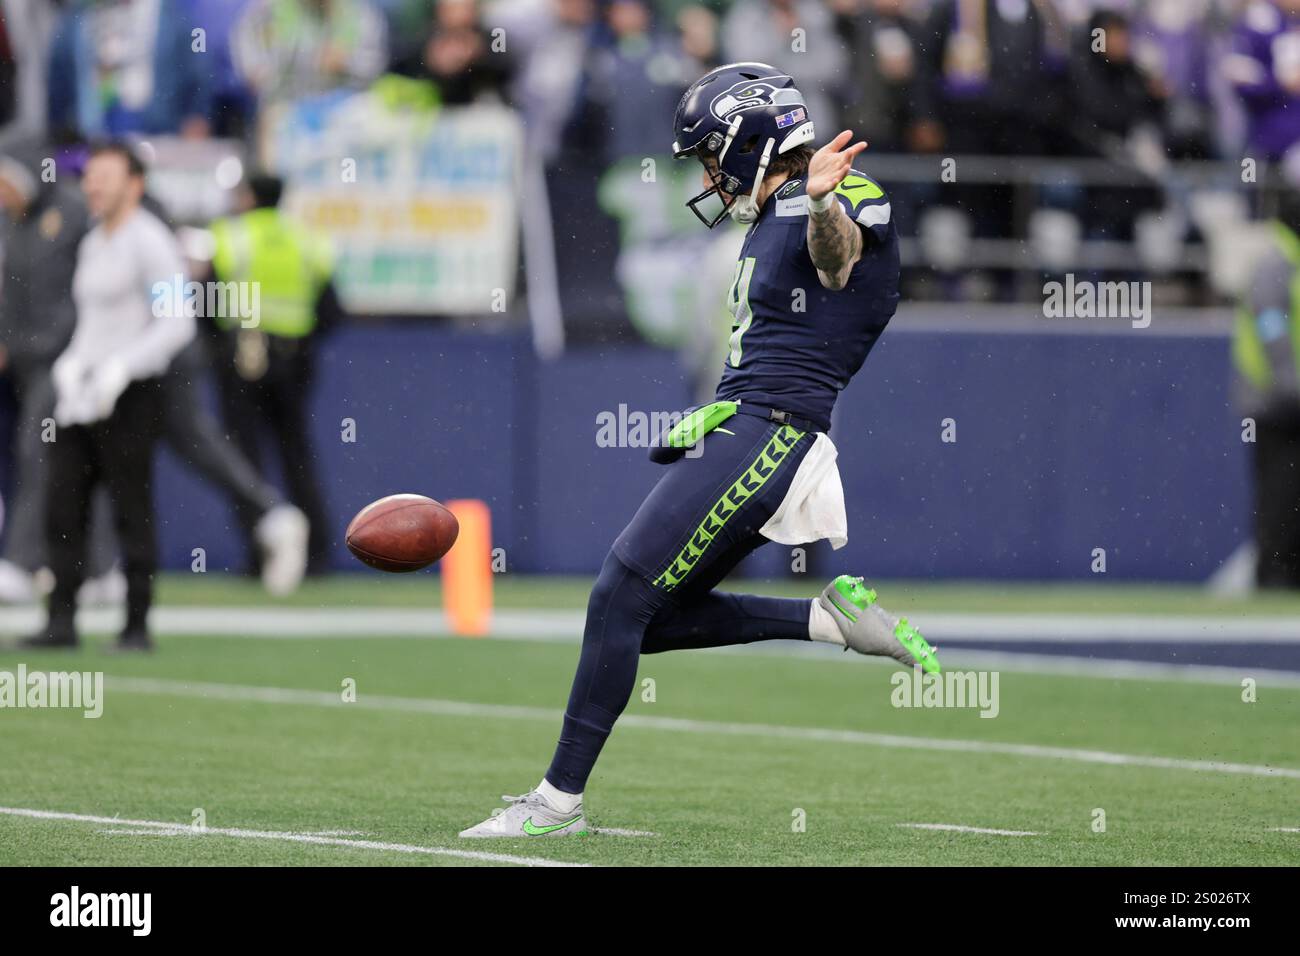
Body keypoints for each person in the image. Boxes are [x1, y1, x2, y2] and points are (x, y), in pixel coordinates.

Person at [460, 62, 939, 838]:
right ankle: (826, 620)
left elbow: (837, 258)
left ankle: (555, 803)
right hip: (747, 420)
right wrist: (714, 410)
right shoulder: (770, 213)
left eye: (714, 155)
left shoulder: (836, 194)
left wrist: (819, 199)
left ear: (752, 141)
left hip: (777, 428)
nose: (710, 176)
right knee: (645, 619)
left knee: (617, 593)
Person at [19, 141, 194, 651]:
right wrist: (74, 367)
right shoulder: (94, 241)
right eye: (90, 175)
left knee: (130, 507)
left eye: (105, 176)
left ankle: (137, 624)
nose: (93, 184)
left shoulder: (152, 243)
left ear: (134, 183)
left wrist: (124, 367)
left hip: (132, 396)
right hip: (83, 396)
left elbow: (176, 323)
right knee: (63, 506)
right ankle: (61, 621)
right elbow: (91, 324)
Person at [203, 173, 339, 576]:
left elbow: (206, 301)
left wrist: (221, 346)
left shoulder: (231, 237)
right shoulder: (307, 239)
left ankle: (260, 550)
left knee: (245, 458)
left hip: (243, 355)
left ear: (248, 197)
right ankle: (316, 554)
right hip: (293, 359)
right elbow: (332, 308)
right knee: (297, 453)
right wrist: (300, 342)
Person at [0, 140, 89, 603]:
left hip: (69, 362)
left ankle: (21, 563)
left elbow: (82, 292)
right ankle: (88, 566)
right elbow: (13, 295)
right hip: (25, 363)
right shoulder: (14, 223)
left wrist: (38, 345)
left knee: (42, 452)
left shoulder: (71, 212)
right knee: (52, 458)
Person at [1232, 181, 1300, 588]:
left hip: (1286, 398)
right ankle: (1274, 577)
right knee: (1280, 494)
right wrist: (1290, 384)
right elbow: (1270, 325)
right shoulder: (1277, 264)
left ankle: (1286, 575)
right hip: (1275, 403)